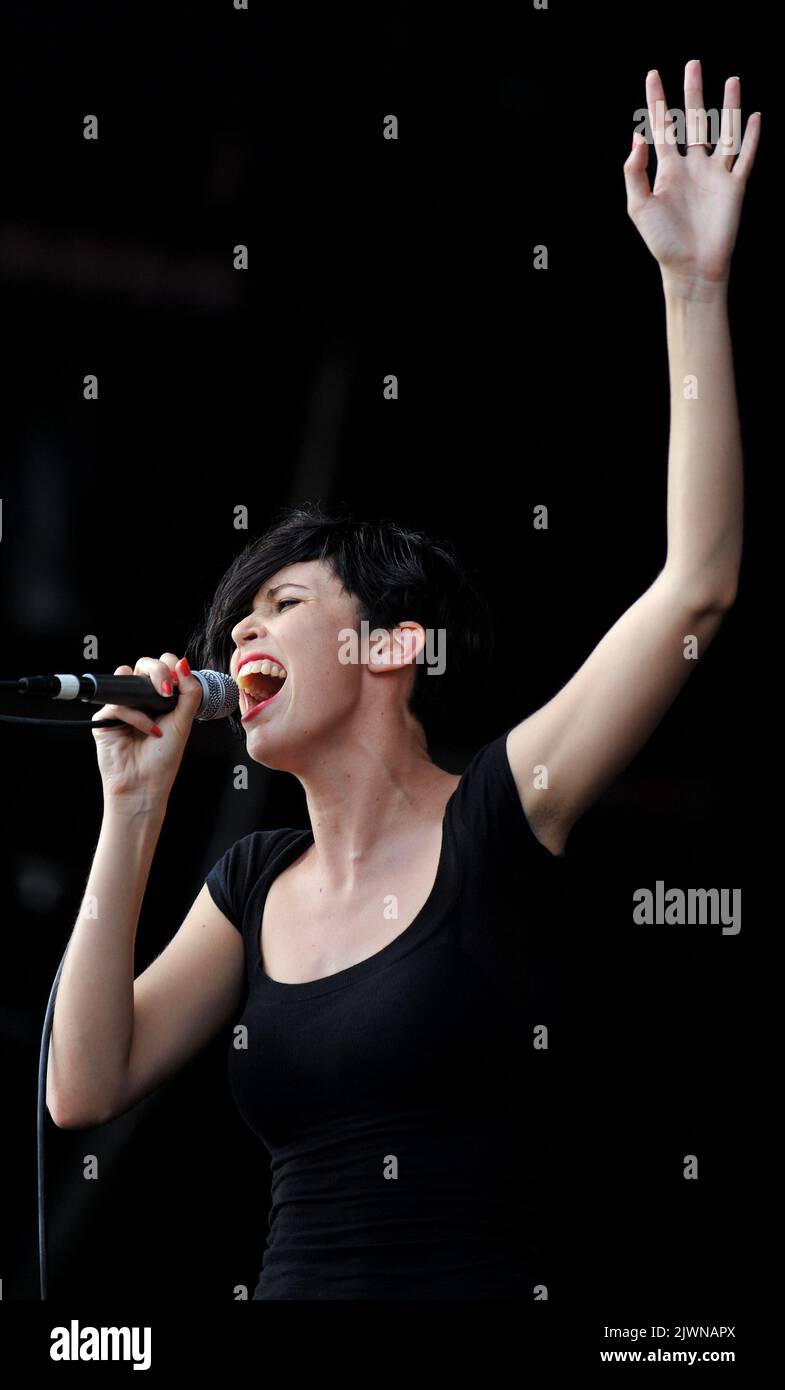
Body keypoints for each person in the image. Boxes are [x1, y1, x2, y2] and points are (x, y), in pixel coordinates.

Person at [46, 60, 758, 1300]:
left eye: (281, 604)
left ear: (390, 645)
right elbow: (83, 1086)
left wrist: (689, 286)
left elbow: (693, 583)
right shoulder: (253, 882)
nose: (239, 637)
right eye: (232, 621)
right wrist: (131, 807)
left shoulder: (498, 809)